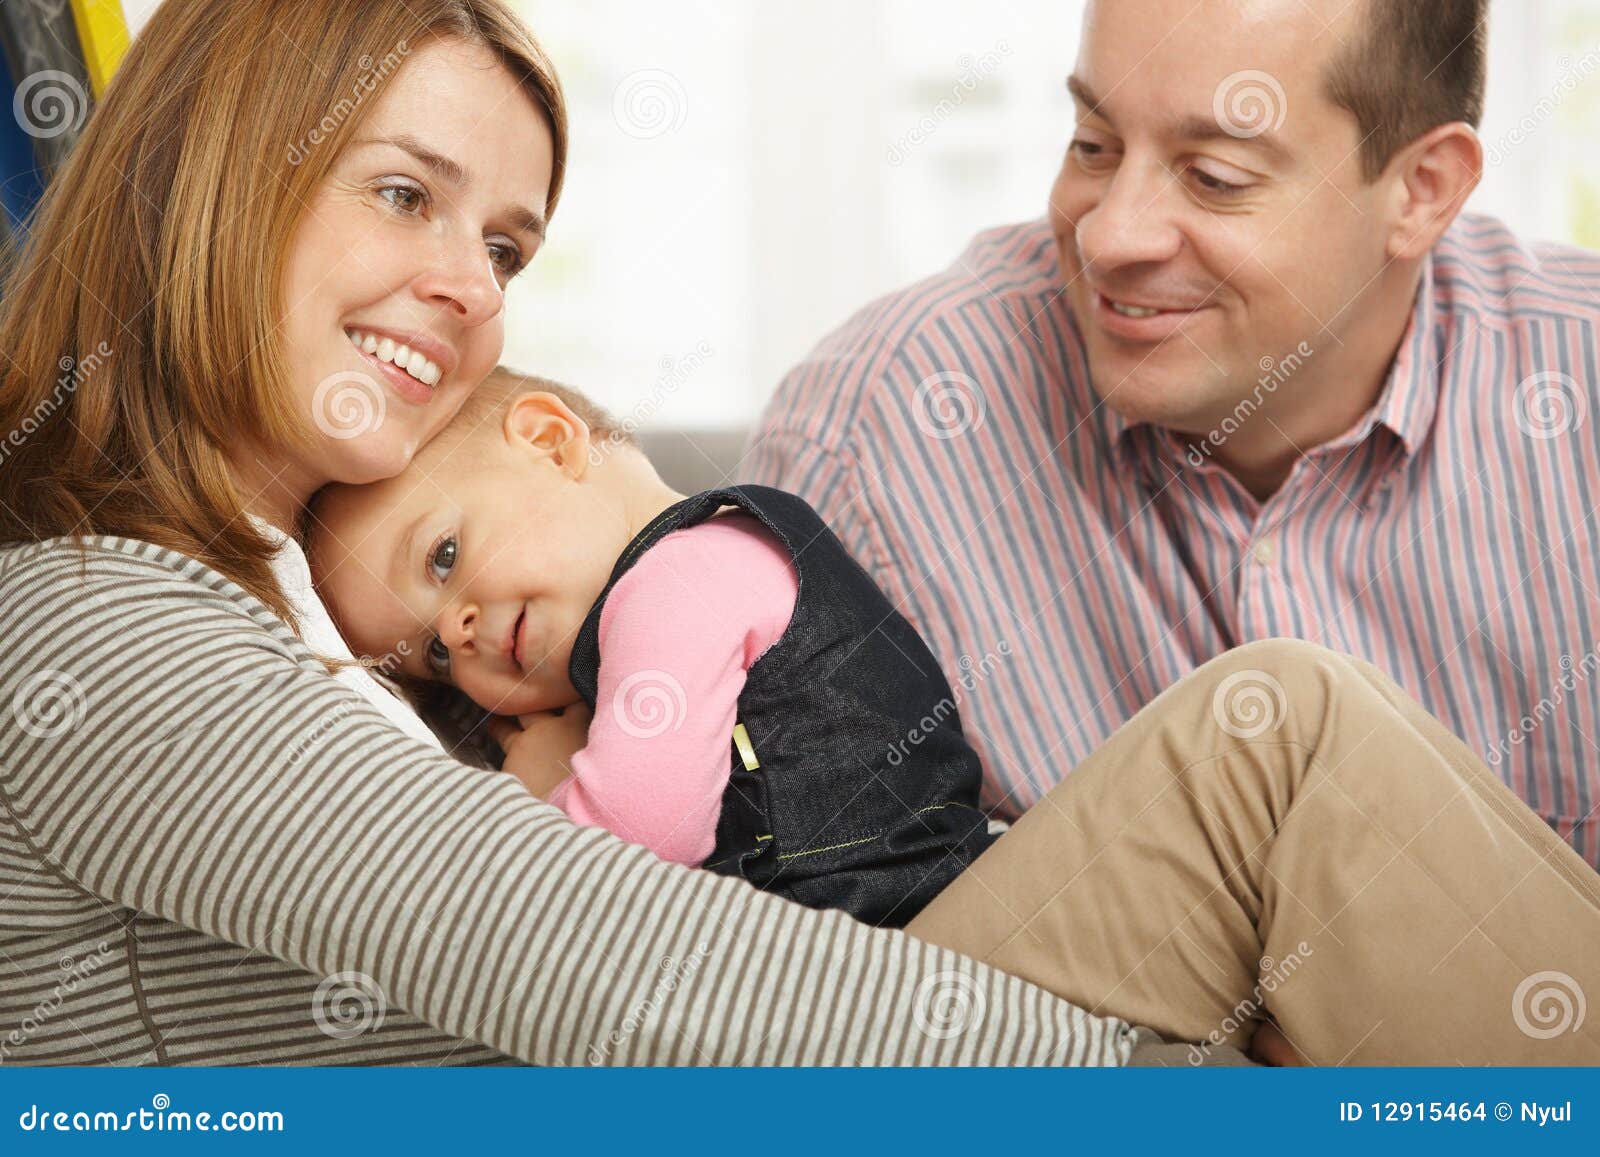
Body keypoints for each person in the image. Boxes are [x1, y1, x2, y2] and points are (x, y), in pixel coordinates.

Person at [0, 0, 1132, 1067]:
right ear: (211, 179)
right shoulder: (95, 625)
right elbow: (652, 976)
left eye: (503, 250)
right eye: (403, 193)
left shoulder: (363, 618)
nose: (473, 289)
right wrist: (1210, 1095)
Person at [304, 369, 1600, 1065]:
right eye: (424, 660)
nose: (459, 634)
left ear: (548, 435)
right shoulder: (641, 638)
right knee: (1278, 727)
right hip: (912, 986)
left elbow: (629, 821)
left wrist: (535, 767)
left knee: (1283, 731)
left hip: (930, 944)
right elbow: (634, 829)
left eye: (443, 558)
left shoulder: (680, 574)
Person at [746, 0, 1600, 871]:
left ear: (1423, 190)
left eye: (1216, 177)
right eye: (1093, 144)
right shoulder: (868, 439)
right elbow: (823, 948)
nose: (1109, 236)